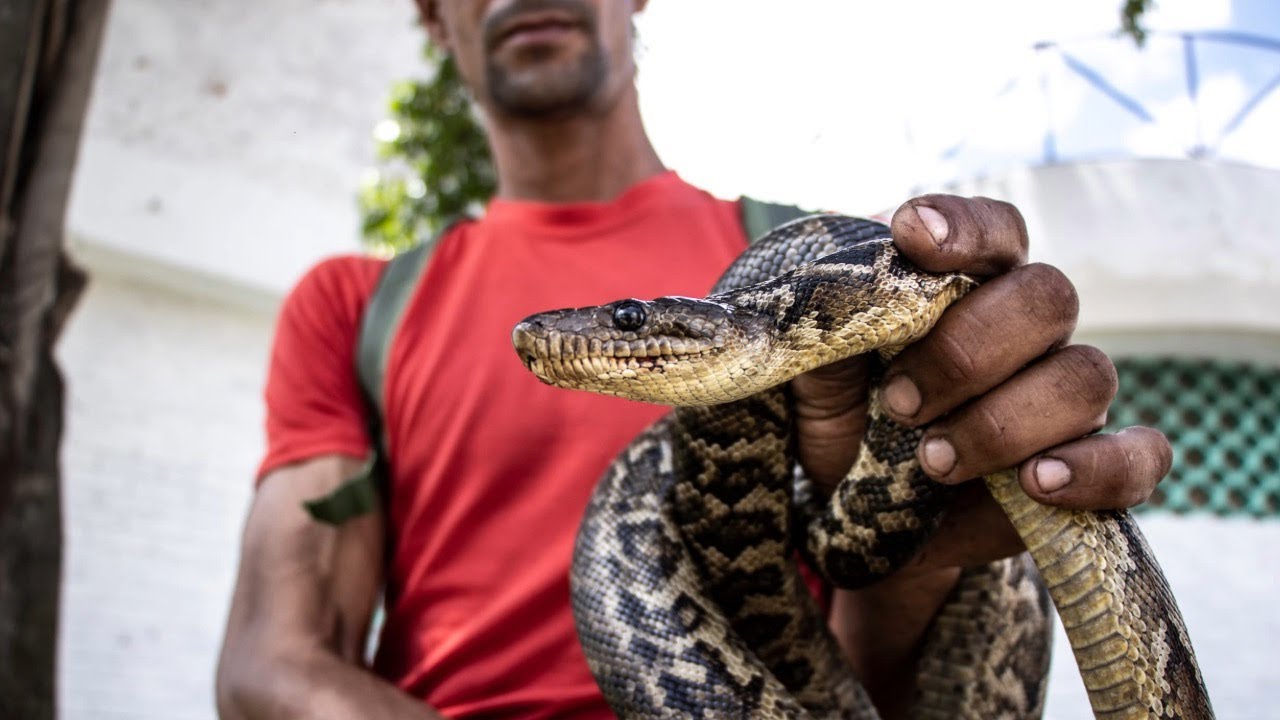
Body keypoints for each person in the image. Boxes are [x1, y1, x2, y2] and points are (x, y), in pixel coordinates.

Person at [215, 1, 1172, 718]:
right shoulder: (354, 307)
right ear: (429, 13)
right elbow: (271, 663)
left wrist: (916, 517)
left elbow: (859, 665)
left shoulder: (795, 260)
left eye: (629, 322)